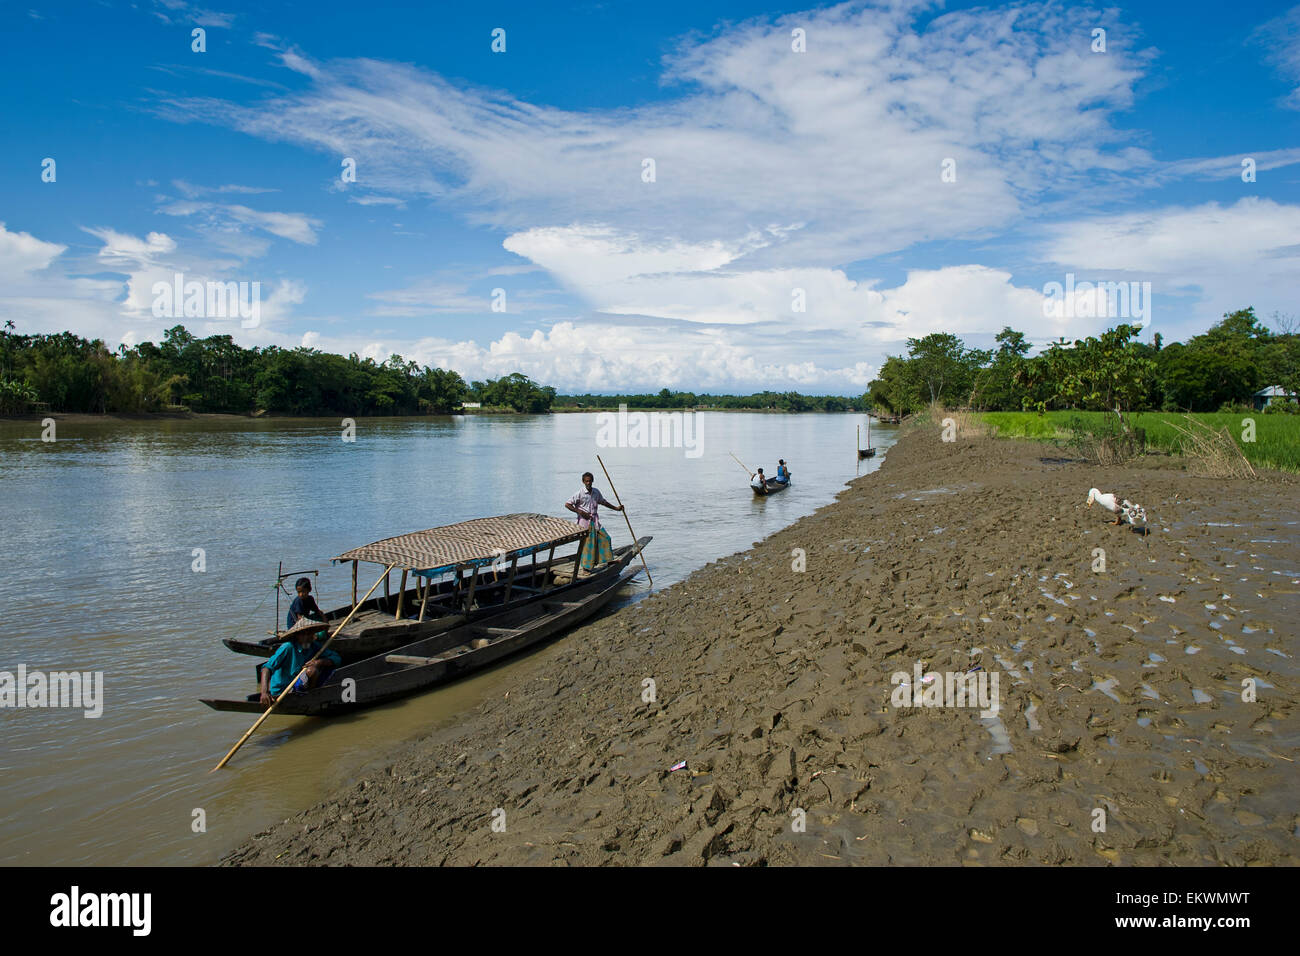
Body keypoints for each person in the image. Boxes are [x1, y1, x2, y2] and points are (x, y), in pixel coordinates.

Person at [258, 623, 341, 704]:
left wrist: (319, 662)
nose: (309, 637)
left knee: (323, 668)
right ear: (298, 636)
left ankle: (310, 695)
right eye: (305, 634)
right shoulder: (287, 647)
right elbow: (266, 668)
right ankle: (309, 697)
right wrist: (264, 692)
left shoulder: (313, 645)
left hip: (299, 684)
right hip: (283, 690)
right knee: (312, 671)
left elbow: (336, 658)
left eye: (310, 633)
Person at [565, 471, 624, 570]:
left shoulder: (596, 492)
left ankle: (608, 560)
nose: (588, 483)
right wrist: (580, 512)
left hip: (594, 521)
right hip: (584, 522)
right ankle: (586, 568)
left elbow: (603, 502)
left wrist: (616, 509)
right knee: (589, 544)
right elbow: (567, 504)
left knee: (606, 538)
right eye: (586, 481)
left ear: (592, 481)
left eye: (590, 481)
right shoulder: (580, 493)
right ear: (583, 482)